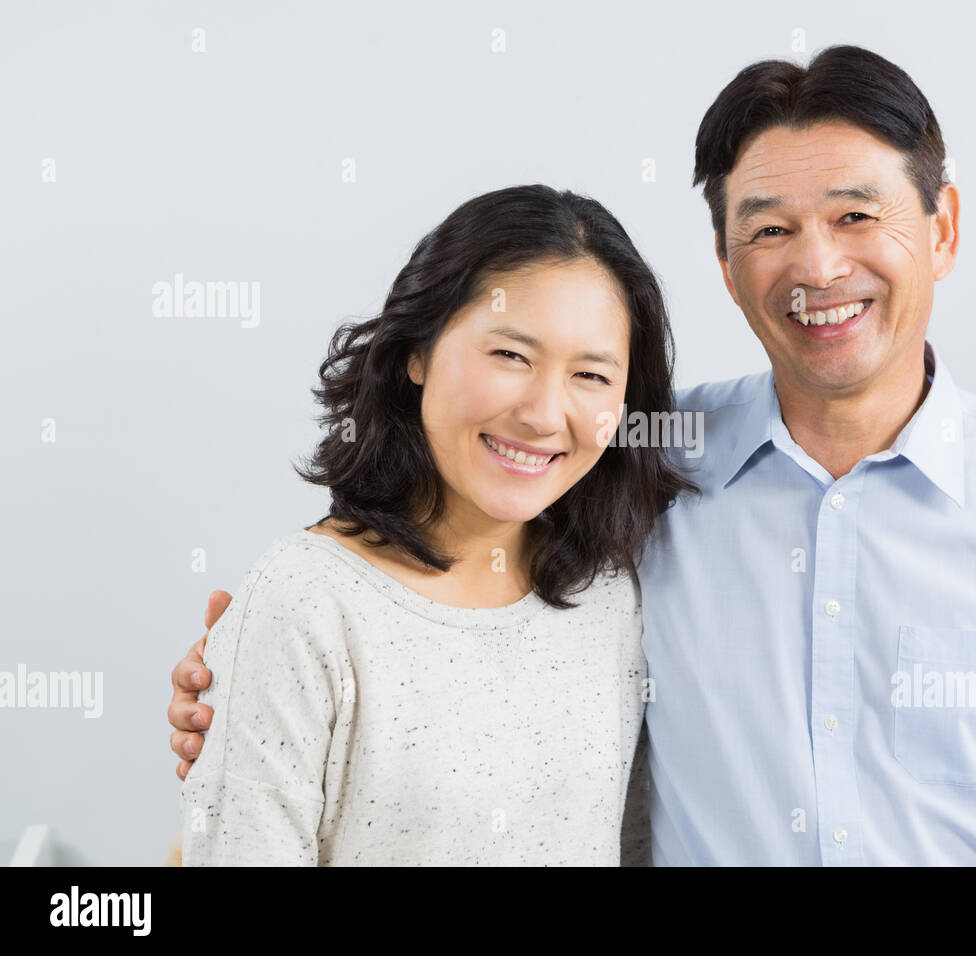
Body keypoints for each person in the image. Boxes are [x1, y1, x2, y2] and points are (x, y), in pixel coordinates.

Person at [171, 45, 976, 866]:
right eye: (770, 228)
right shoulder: (649, 469)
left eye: (855, 214)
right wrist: (250, 678)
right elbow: (437, 610)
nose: (818, 263)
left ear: (942, 228)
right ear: (725, 264)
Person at [174, 184, 694, 865]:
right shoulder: (305, 603)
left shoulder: (613, 594)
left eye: (591, 375)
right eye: (511, 355)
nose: (544, 414)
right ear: (417, 352)